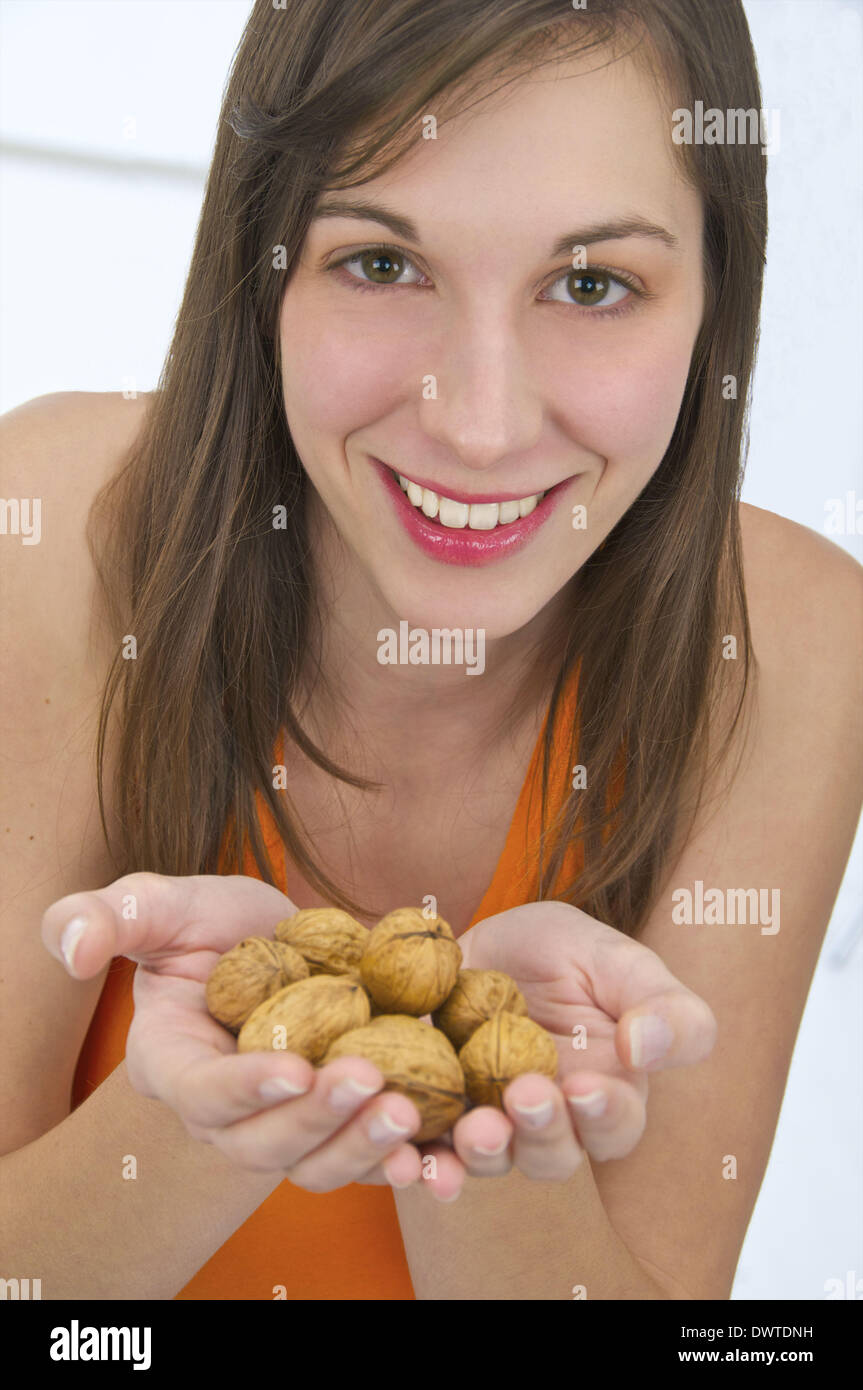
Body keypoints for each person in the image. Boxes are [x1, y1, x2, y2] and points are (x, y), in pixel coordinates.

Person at [2, 0, 860, 1302]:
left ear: (713, 301)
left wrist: (499, 1134)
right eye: (385, 264)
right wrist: (189, 1120)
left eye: (590, 284)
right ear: (265, 265)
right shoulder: (54, 531)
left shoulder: (795, 641)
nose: (479, 421)